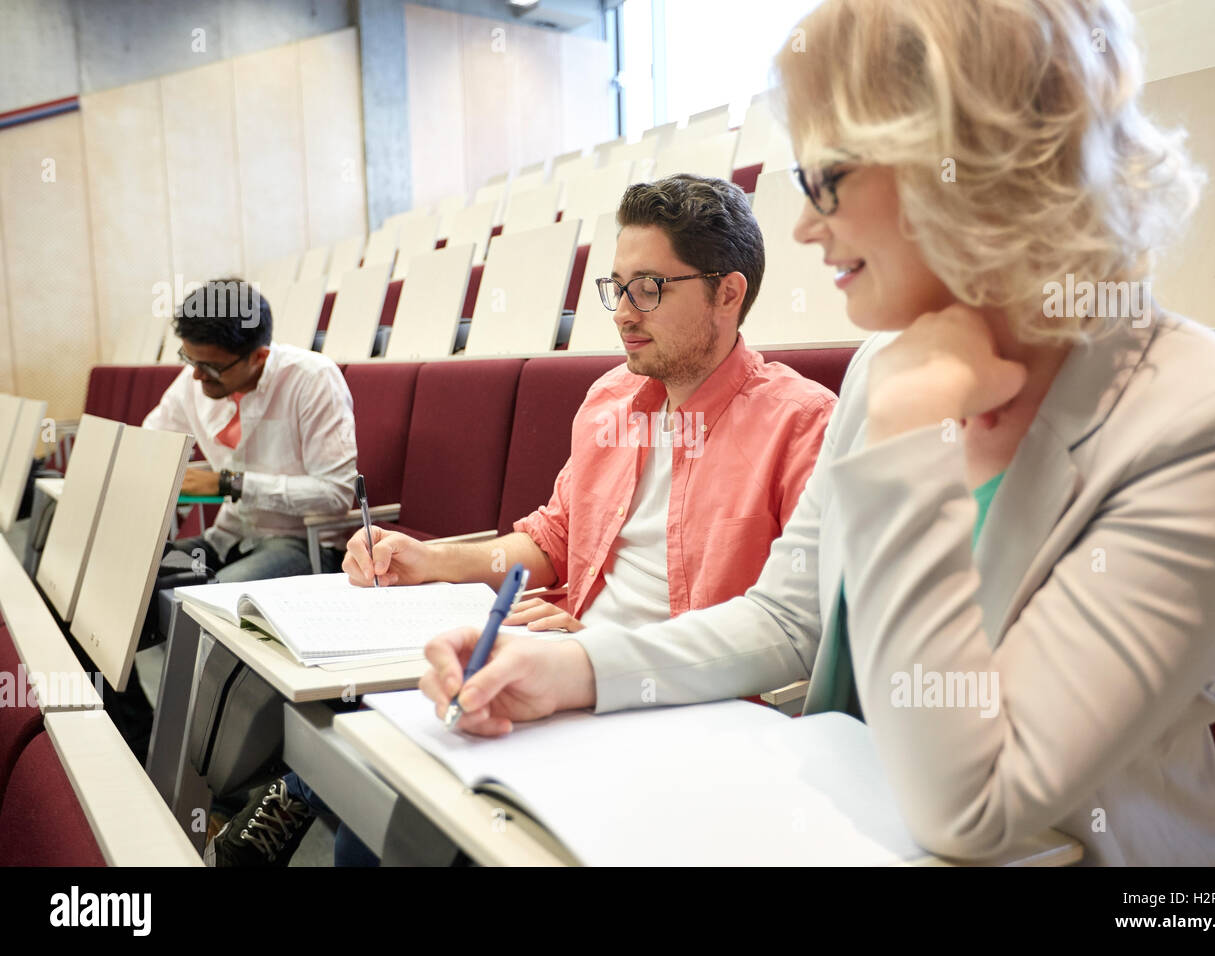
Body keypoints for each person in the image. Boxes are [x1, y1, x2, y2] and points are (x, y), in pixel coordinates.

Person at [419, 0, 1215, 866]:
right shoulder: (887, 365)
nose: (803, 226)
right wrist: (566, 671)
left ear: (964, 161)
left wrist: (912, 438)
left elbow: (975, 807)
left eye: (826, 180)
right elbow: (785, 619)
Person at [210, 175, 838, 866]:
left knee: (395, 822)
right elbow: (555, 536)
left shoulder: (802, 423)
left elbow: (785, 625)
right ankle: (312, 785)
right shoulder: (610, 400)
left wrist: (598, 644)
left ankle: (307, 790)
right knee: (389, 793)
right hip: (565, 658)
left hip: (683, 699)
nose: (623, 313)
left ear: (728, 293)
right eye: (616, 286)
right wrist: (433, 561)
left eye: (650, 288)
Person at [144, 278, 357, 581]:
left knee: (212, 597)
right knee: (139, 571)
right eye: (189, 359)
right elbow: (150, 442)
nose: (196, 375)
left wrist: (230, 484)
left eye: (211, 367)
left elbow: (335, 494)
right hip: (228, 539)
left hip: (302, 544)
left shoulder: (313, 379)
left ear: (259, 357)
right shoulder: (198, 374)